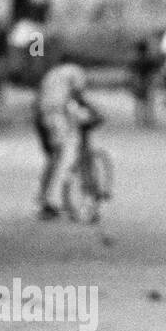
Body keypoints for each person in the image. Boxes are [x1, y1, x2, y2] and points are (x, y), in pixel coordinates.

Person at [33, 46, 95, 220]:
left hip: (43, 117)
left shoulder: (51, 73)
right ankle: (52, 201)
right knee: (64, 156)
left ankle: (44, 198)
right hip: (57, 117)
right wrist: (94, 113)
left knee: (53, 157)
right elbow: (78, 96)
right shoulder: (75, 71)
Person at [128, 39, 159, 128]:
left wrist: (132, 83)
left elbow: (132, 73)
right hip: (148, 82)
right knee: (148, 102)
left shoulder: (135, 60)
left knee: (138, 102)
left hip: (138, 82)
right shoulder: (150, 59)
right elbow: (154, 72)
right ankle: (149, 120)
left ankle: (139, 121)